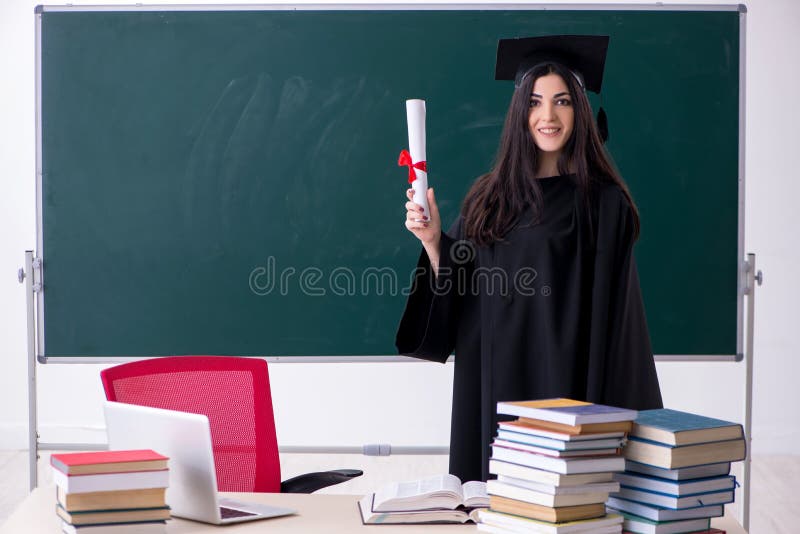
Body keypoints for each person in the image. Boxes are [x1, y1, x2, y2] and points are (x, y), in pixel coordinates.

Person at [395, 35, 663, 483]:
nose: (548, 116)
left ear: (579, 111)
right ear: (520, 114)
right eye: (536, 102)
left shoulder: (603, 204)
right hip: (494, 387)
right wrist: (432, 240)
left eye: (562, 101)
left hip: (564, 389)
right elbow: (461, 289)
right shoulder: (488, 196)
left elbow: (617, 325)